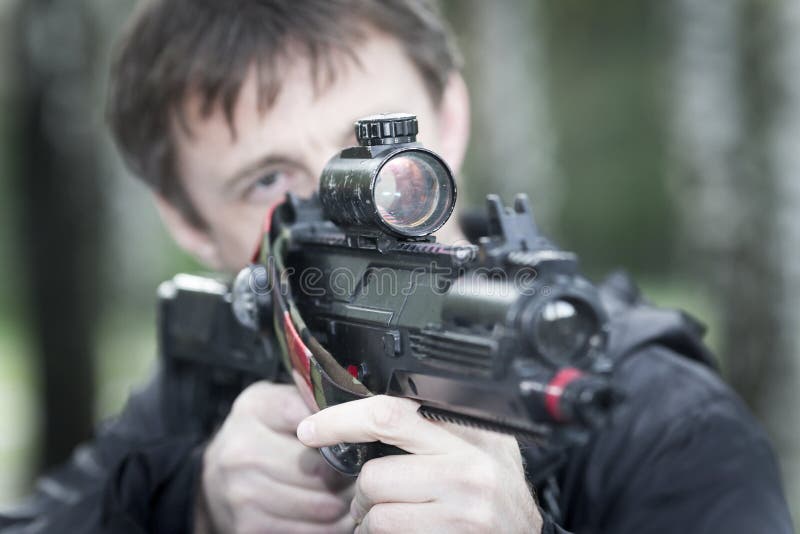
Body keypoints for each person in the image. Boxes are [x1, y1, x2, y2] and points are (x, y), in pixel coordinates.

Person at [1, 1, 794, 533]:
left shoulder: (662, 424)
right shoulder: (230, 359)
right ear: (186, 221)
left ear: (450, 120)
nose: (342, 205)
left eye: (378, 152)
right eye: (268, 179)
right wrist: (195, 499)